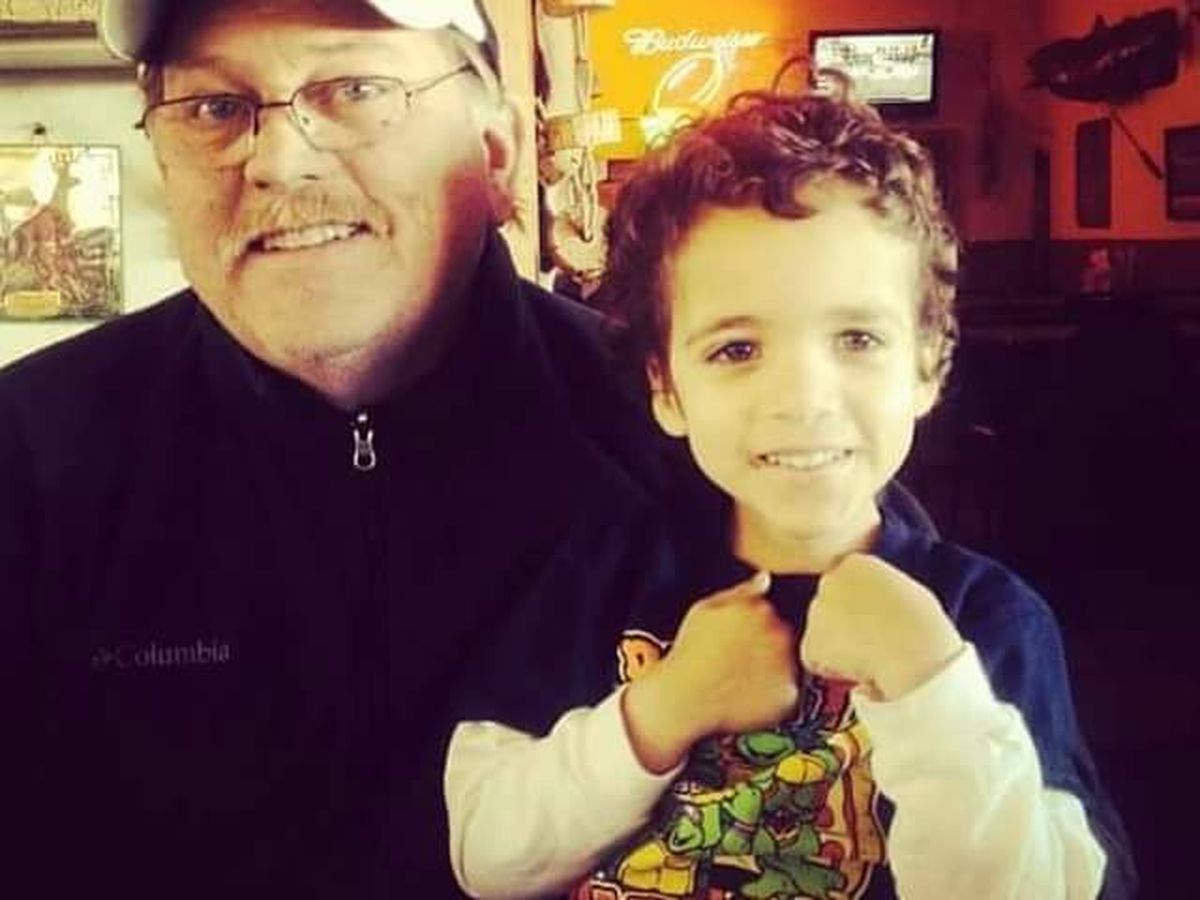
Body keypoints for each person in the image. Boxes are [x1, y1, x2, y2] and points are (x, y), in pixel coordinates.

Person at [0, 1, 665, 896]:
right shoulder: (29, 460)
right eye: (214, 108)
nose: (277, 160)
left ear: (497, 154)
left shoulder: (684, 448)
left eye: (355, 89)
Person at [444, 87, 1136, 898]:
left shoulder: (984, 622)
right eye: (737, 349)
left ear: (926, 367)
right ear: (667, 388)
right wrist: (663, 710)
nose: (804, 399)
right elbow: (487, 857)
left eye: (857, 338)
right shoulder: (596, 578)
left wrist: (932, 689)